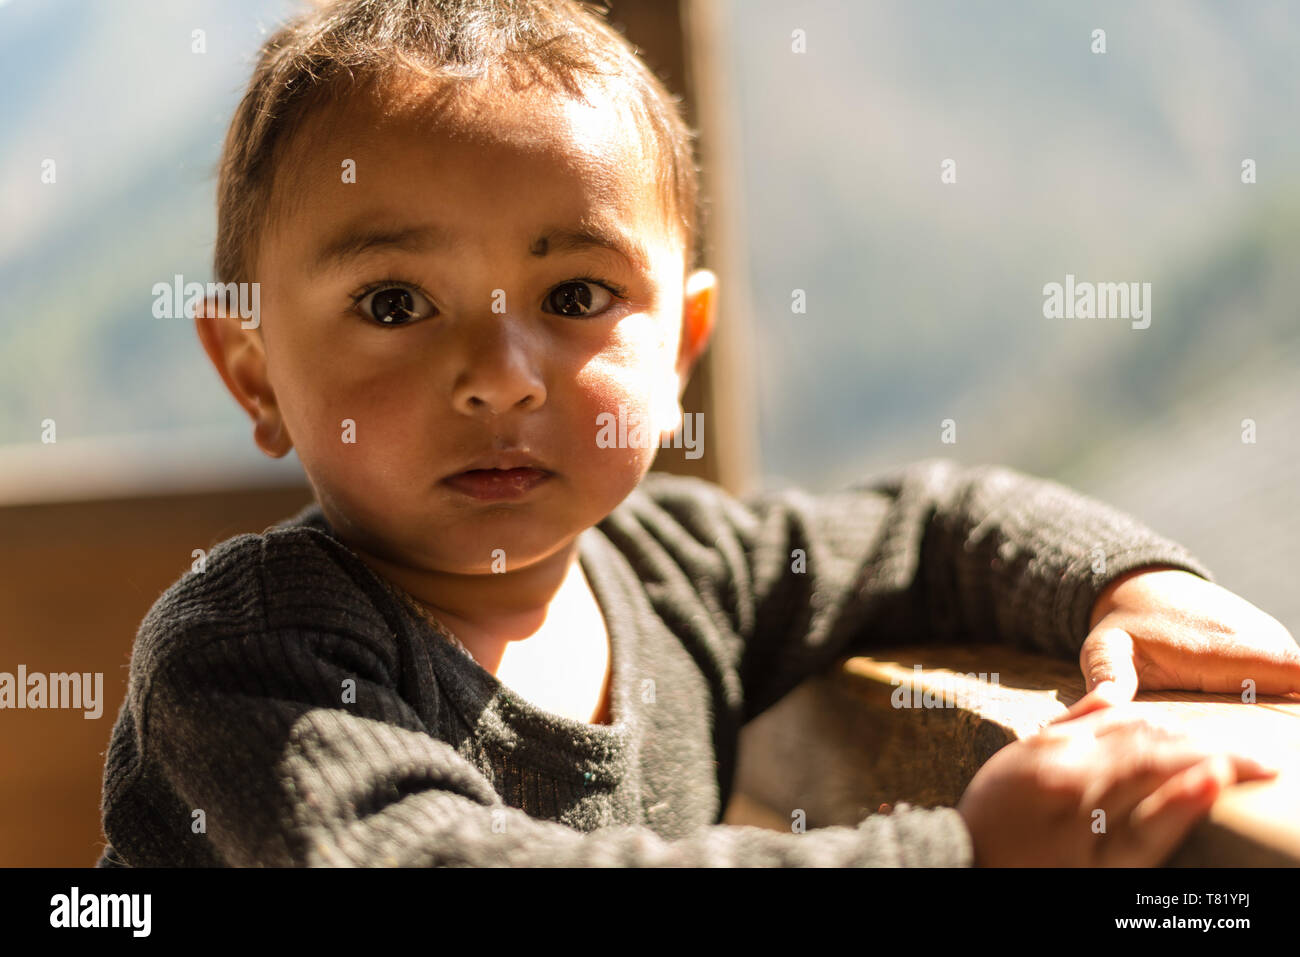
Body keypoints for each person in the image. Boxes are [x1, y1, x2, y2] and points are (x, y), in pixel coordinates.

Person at [97, 0, 1297, 867]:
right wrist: (958, 856)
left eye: (575, 298)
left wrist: (1122, 584)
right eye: (396, 304)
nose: (499, 379)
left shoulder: (689, 572)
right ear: (251, 370)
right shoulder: (250, 652)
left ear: (678, 348)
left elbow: (924, 529)